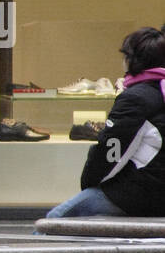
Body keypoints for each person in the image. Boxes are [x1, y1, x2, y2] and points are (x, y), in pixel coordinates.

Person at [47, 26, 165, 218]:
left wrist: (90, 185)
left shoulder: (135, 98)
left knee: (55, 220)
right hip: (156, 190)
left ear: (131, 60)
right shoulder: (159, 90)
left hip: (142, 193)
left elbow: (112, 151)